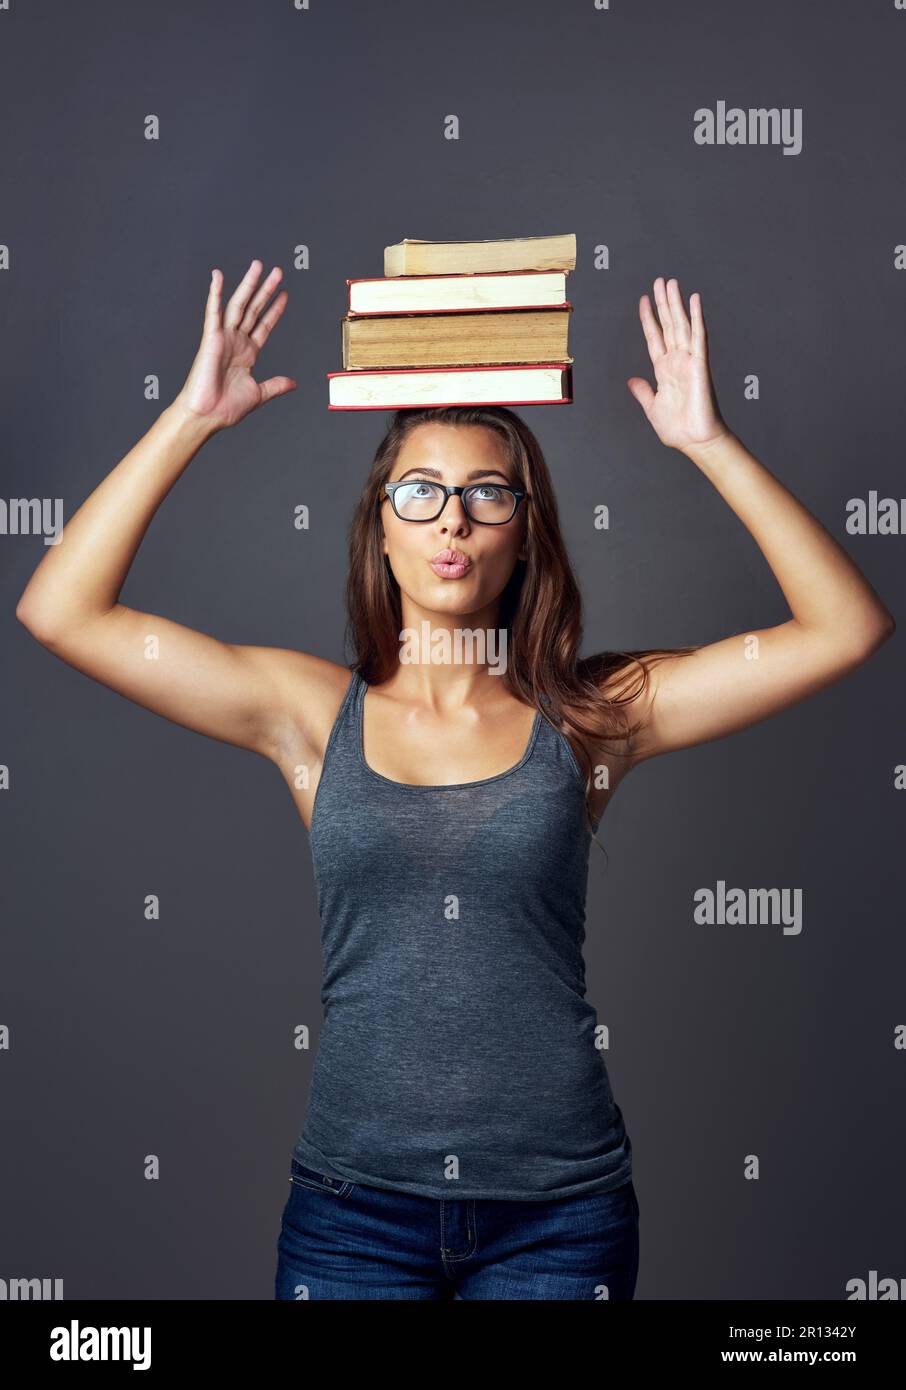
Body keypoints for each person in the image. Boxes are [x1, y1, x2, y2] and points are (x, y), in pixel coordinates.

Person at [16, 260, 895, 1301]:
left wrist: (709, 441)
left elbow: (846, 628)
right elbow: (60, 609)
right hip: (352, 1217)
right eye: (421, 492)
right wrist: (191, 418)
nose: (453, 519)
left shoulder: (590, 713)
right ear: (381, 527)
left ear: (525, 533)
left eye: (488, 493)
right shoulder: (309, 715)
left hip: (560, 1220)